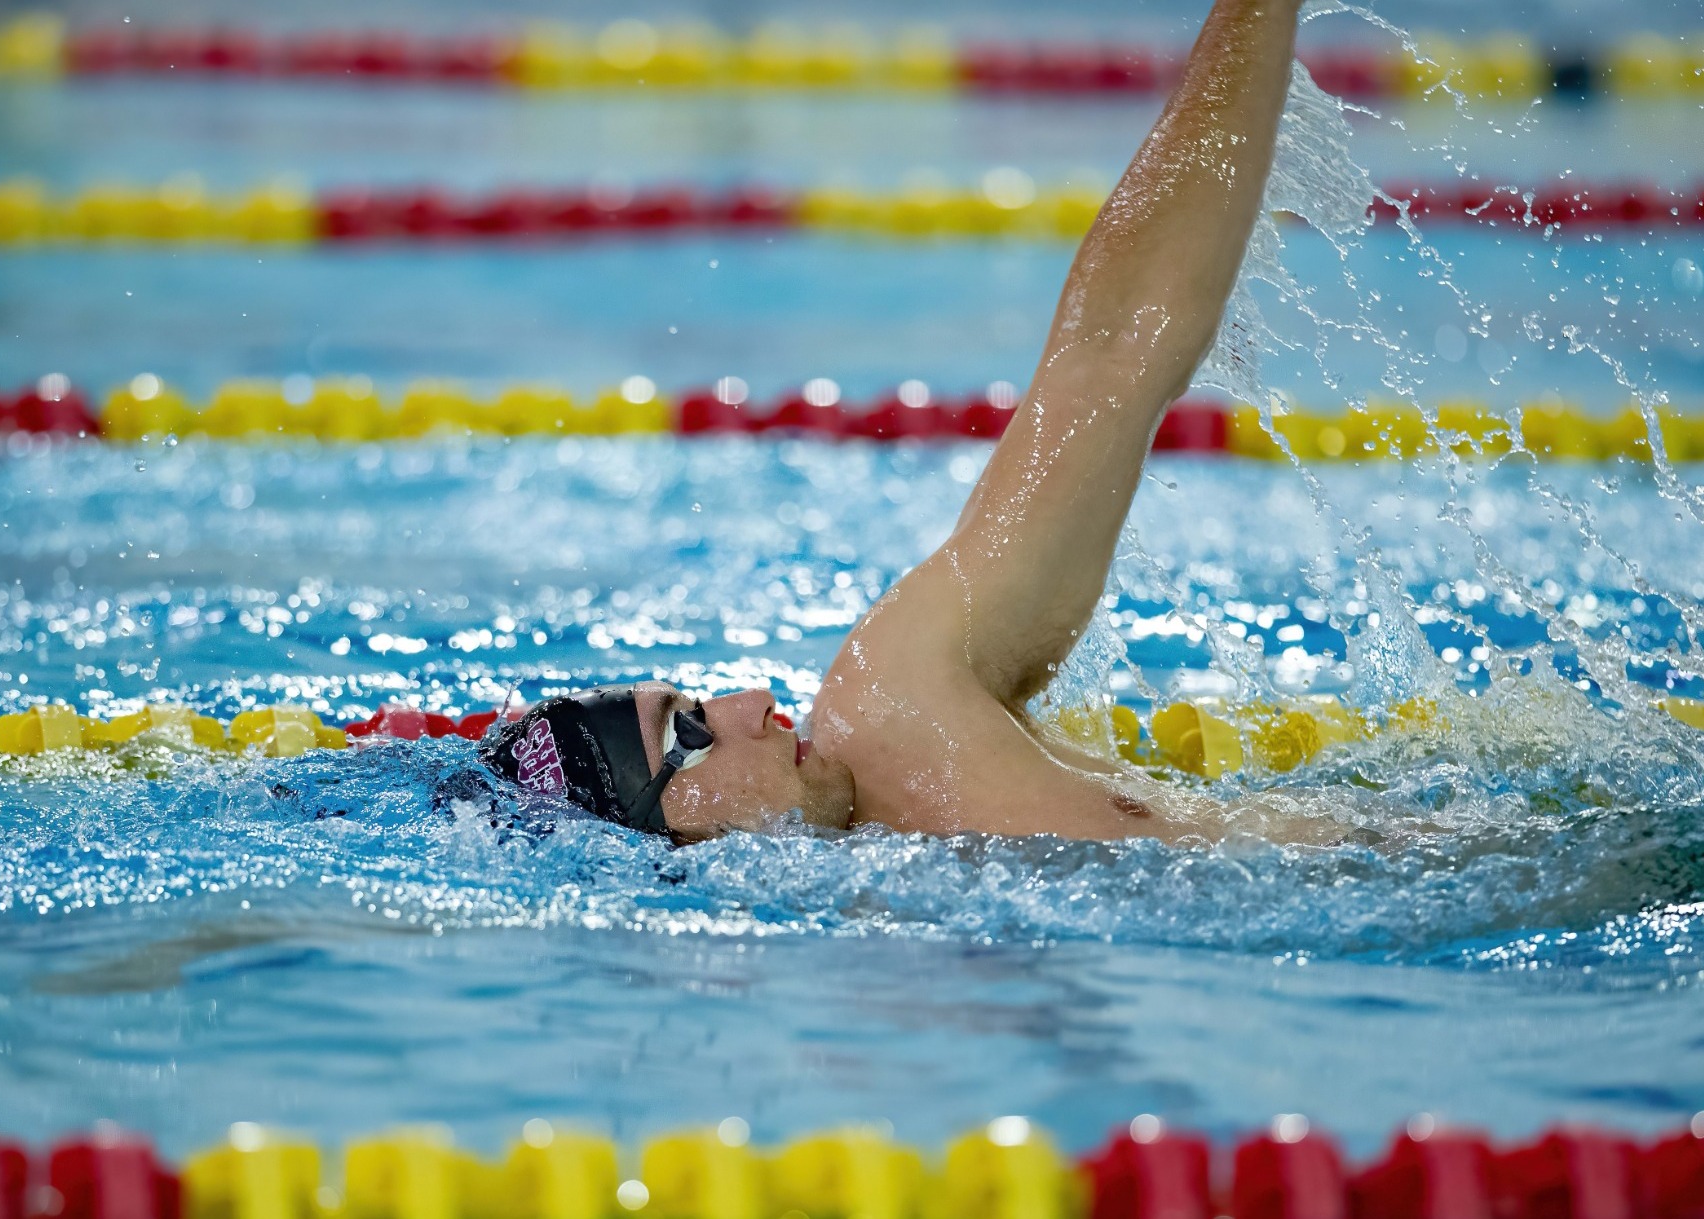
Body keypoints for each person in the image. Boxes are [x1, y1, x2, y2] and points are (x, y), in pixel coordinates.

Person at [481, 0, 1330, 845]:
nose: (757, 700)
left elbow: (1111, 352)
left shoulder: (894, 715)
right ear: (647, 827)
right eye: (692, 732)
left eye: (698, 704)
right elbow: (1106, 360)